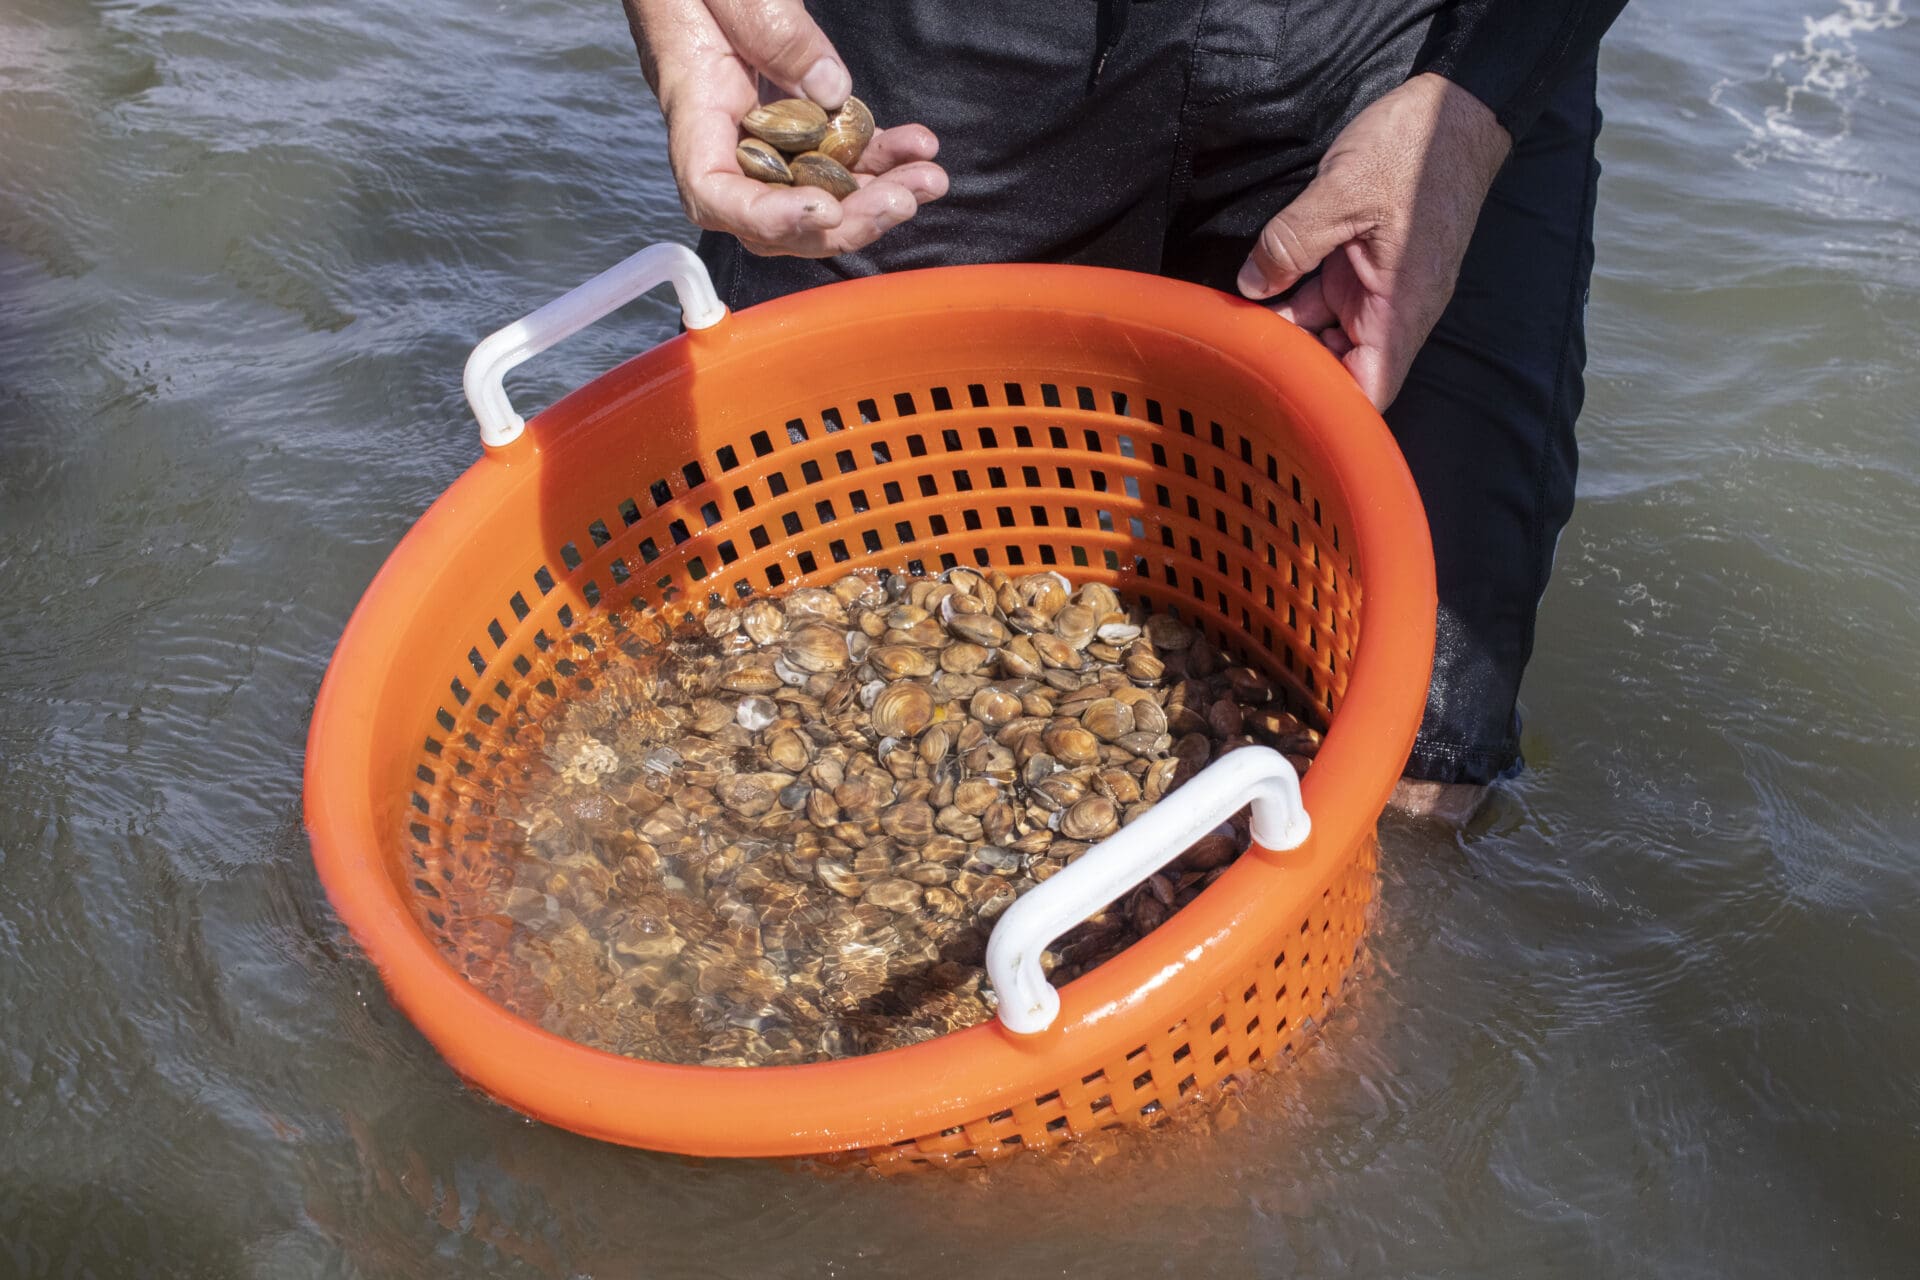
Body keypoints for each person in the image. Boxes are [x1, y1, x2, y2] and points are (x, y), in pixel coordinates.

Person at [620, 0, 1628, 821]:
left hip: (1421, 48)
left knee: (1413, 755)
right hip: (938, 54)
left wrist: (1473, 107)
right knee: (757, 639)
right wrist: (684, 18)